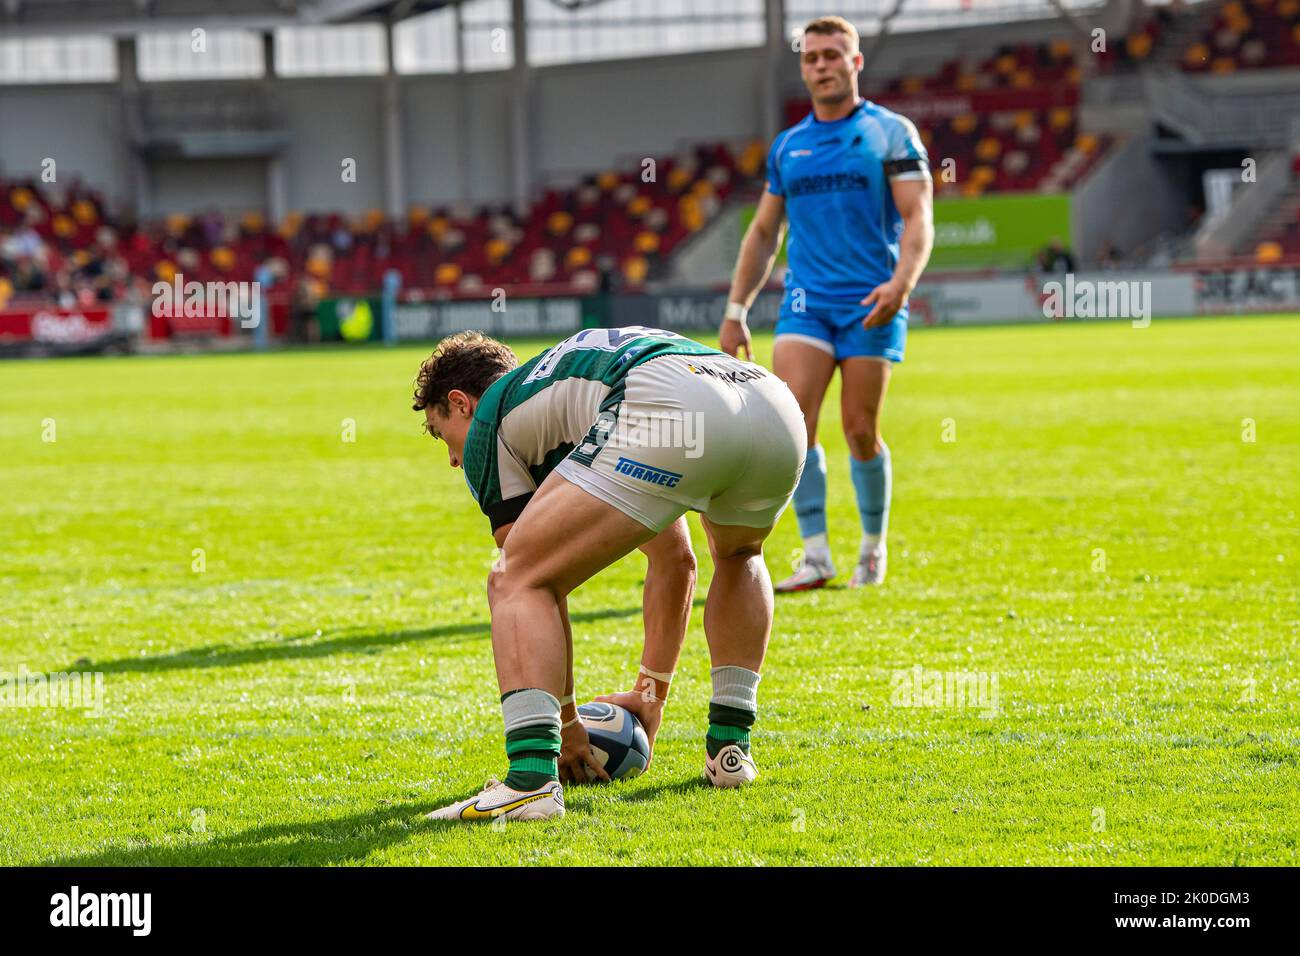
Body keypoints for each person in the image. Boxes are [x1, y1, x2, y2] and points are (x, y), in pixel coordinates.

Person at [413, 326, 806, 821]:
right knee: (740, 554)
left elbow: (538, 581)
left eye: (439, 430)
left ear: (461, 403)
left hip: (667, 400)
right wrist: (650, 695)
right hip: (769, 402)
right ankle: (730, 753)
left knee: (514, 577)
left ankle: (531, 781)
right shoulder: (562, 394)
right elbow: (676, 560)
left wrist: (568, 722)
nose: (451, 458)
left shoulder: (493, 416)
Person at [719, 15, 934, 591]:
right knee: (796, 425)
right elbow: (764, 233)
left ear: (855, 62)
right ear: (803, 68)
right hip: (806, 304)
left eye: (833, 55)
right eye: (811, 57)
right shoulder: (790, 147)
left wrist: (902, 284)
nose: (822, 66)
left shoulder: (892, 133)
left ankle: (872, 546)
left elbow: (918, 217)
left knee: (860, 429)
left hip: (873, 301)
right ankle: (815, 555)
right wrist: (737, 307)